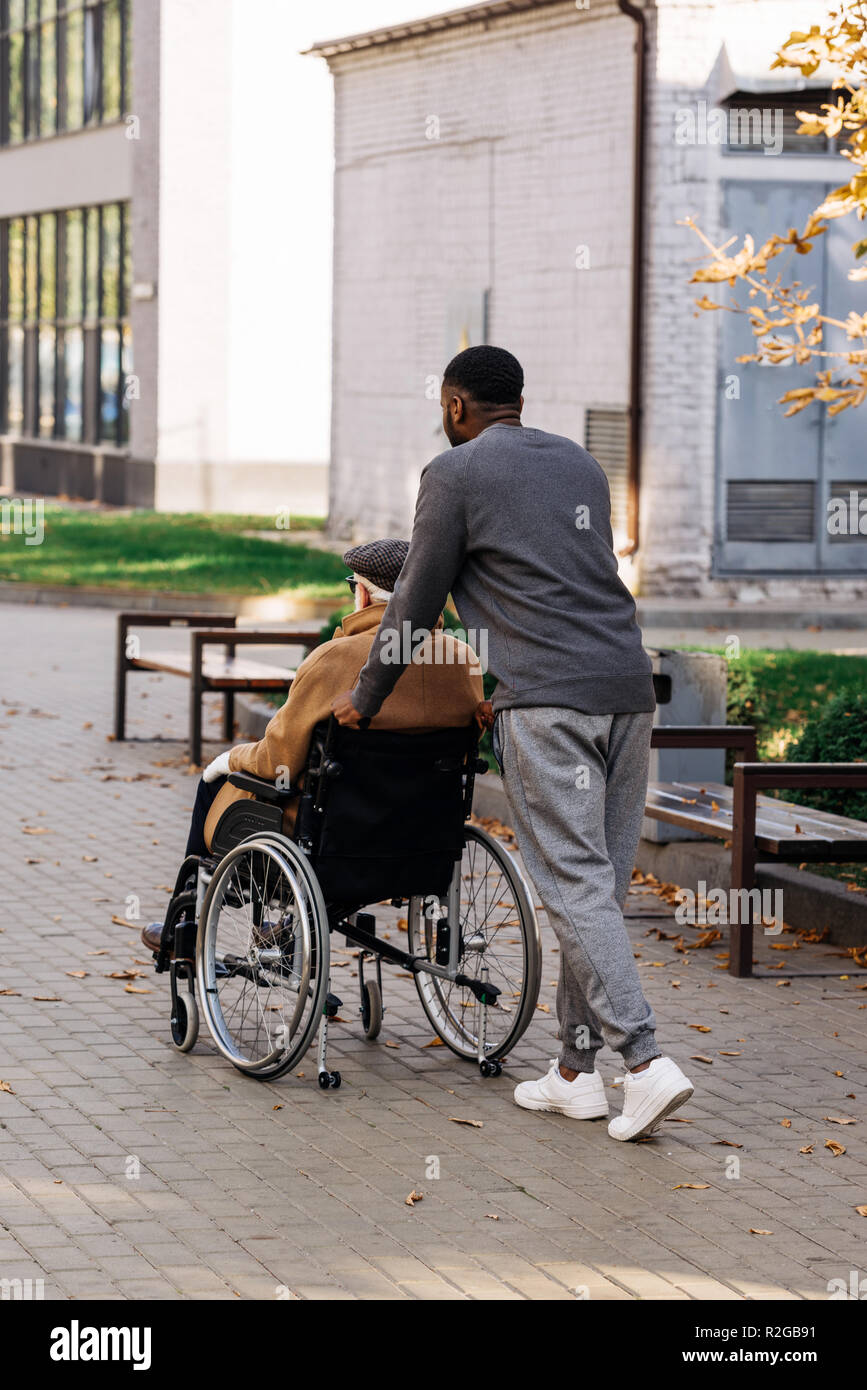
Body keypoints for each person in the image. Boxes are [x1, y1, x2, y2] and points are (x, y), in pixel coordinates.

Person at [331, 345, 694, 1141]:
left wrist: (364, 700)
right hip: (627, 693)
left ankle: (643, 1062)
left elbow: (414, 606)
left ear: (456, 406)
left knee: (572, 887)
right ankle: (574, 1072)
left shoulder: (452, 475)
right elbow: (564, 579)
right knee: (592, 885)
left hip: (549, 704)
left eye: (444, 406)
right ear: (517, 400)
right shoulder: (578, 466)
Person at [141, 538, 484, 955]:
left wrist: (228, 757)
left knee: (217, 780)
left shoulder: (335, 659)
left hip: (337, 836)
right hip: (424, 836)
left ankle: (187, 925)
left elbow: (278, 758)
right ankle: (283, 926)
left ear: (361, 593)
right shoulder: (463, 660)